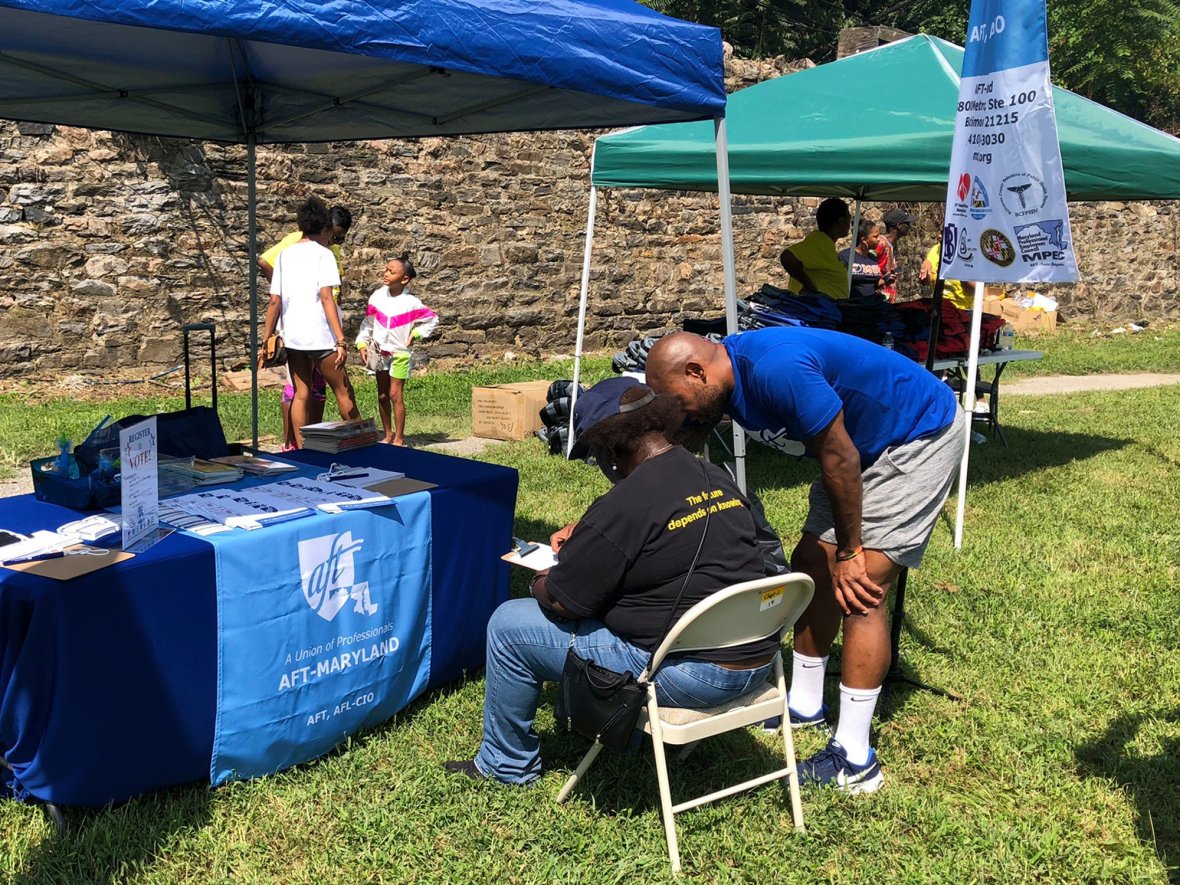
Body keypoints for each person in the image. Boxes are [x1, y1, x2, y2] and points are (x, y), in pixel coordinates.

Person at [645, 329, 964, 795]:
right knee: (812, 563)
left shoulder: (777, 369)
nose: (679, 414)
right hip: (859, 446)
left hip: (916, 435)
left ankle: (855, 758)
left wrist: (851, 552)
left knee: (862, 590)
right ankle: (805, 704)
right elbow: (677, 448)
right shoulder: (721, 386)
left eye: (676, 401)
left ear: (696, 372)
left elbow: (840, 456)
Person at [443, 377, 777, 785]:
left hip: (691, 677)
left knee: (509, 626)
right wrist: (590, 538)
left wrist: (541, 581)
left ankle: (505, 764)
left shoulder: (626, 502)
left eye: (595, 454)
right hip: (758, 659)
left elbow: (565, 601)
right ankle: (626, 734)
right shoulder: (714, 476)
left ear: (612, 451)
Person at [258, 196, 360, 449]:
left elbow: (274, 300)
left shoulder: (285, 255)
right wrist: (341, 339)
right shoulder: (324, 255)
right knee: (343, 391)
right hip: (320, 336)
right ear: (324, 228)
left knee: (300, 394)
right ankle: (361, 443)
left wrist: (266, 339)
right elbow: (327, 298)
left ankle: (303, 450)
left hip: (293, 337)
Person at [355, 256, 438, 446]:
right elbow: (368, 322)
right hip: (378, 352)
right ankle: (387, 434)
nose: (386, 274)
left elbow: (432, 319)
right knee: (382, 394)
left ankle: (399, 438)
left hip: (400, 353)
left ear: (404, 279)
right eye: (386, 269)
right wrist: (362, 343)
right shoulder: (377, 297)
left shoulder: (412, 303)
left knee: (395, 394)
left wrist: (416, 334)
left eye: (391, 272)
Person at [779, 197, 852, 301]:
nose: (850, 223)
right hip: (817, 309)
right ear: (840, 221)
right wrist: (809, 286)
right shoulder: (819, 242)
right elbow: (787, 257)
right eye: (848, 218)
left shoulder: (826, 244)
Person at [920, 242, 976, 311]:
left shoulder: (969, 252)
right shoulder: (936, 249)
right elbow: (925, 282)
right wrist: (926, 270)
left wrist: (961, 269)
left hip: (963, 309)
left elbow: (975, 287)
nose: (939, 236)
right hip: (940, 307)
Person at [876, 208, 916, 303]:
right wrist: (882, 280)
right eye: (907, 223)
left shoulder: (893, 245)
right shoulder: (880, 244)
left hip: (888, 298)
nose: (909, 226)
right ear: (898, 225)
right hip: (878, 298)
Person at [837, 220, 885, 300]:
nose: (878, 239)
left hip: (872, 303)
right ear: (864, 239)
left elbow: (872, 284)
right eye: (875, 236)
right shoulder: (845, 257)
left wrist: (886, 280)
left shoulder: (873, 258)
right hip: (853, 304)